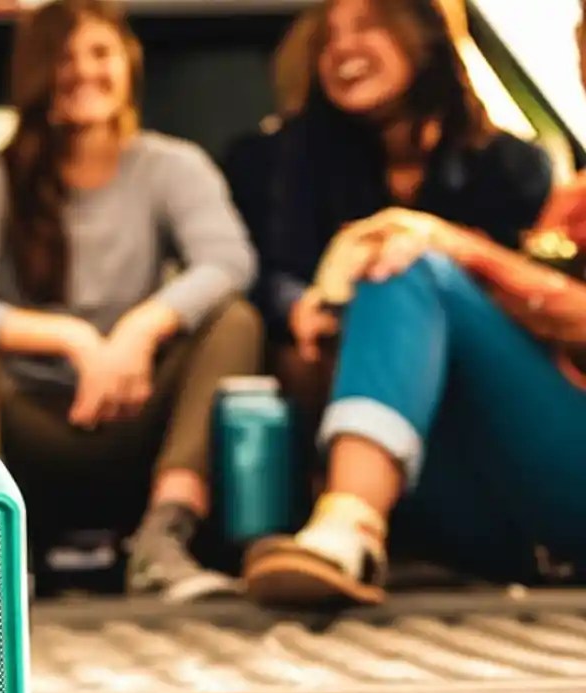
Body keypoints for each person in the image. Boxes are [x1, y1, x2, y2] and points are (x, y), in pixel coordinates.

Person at [242, 0, 586, 607]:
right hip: (501, 491)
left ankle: (349, 524)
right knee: (398, 259)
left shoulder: (514, 170)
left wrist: (448, 245)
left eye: (369, 27)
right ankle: (342, 528)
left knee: (410, 261)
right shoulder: (570, 201)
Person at [0, 0, 262, 602]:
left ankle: (163, 539)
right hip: (35, 429)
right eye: (62, 57)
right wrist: (75, 340)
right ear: (35, 75)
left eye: (98, 52)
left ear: (128, 62)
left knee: (235, 320)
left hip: (138, 418)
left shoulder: (171, 165)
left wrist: (140, 330)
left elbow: (228, 261)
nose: (82, 71)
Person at [224, 0, 552, 479]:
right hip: (345, 386)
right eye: (328, 39)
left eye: (369, 26)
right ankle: (345, 509)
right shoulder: (295, 159)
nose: (342, 49)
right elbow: (276, 268)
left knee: (400, 269)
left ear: (423, 39)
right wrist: (302, 308)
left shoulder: (514, 169)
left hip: (482, 411)